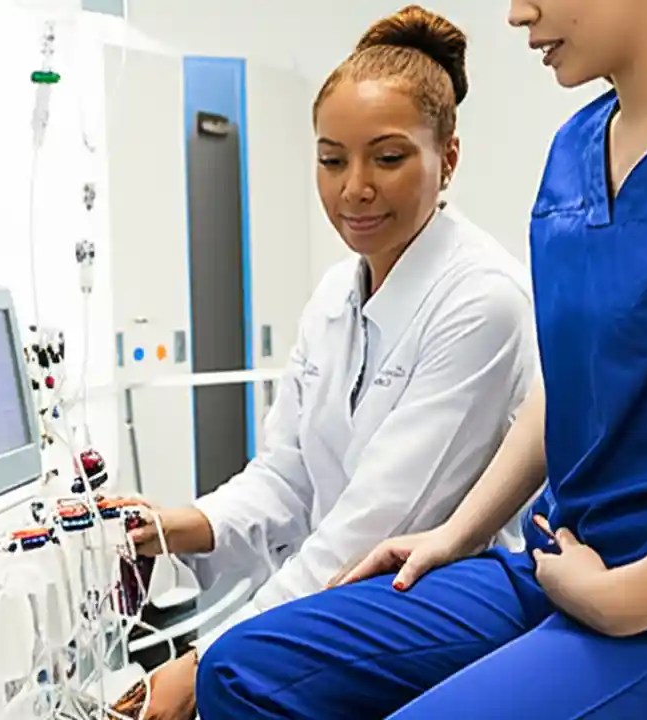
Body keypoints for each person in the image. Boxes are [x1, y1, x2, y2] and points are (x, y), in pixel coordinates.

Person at [194, 0, 647, 718]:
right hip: (556, 566)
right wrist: (454, 534)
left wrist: (621, 599)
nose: (518, 13)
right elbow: (573, 379)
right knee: (243, 670)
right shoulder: (575, 148)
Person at [113, 6, 538, 719]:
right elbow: (290, 475)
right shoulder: (335, 295)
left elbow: (372, 527)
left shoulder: (483, 300)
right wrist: (178, 526)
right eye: (332, 158)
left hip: (434, 606)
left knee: (234, 679)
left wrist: (201, 661)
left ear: (449, 159)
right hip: (346, 591)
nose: (355, 188)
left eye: (389, 157)